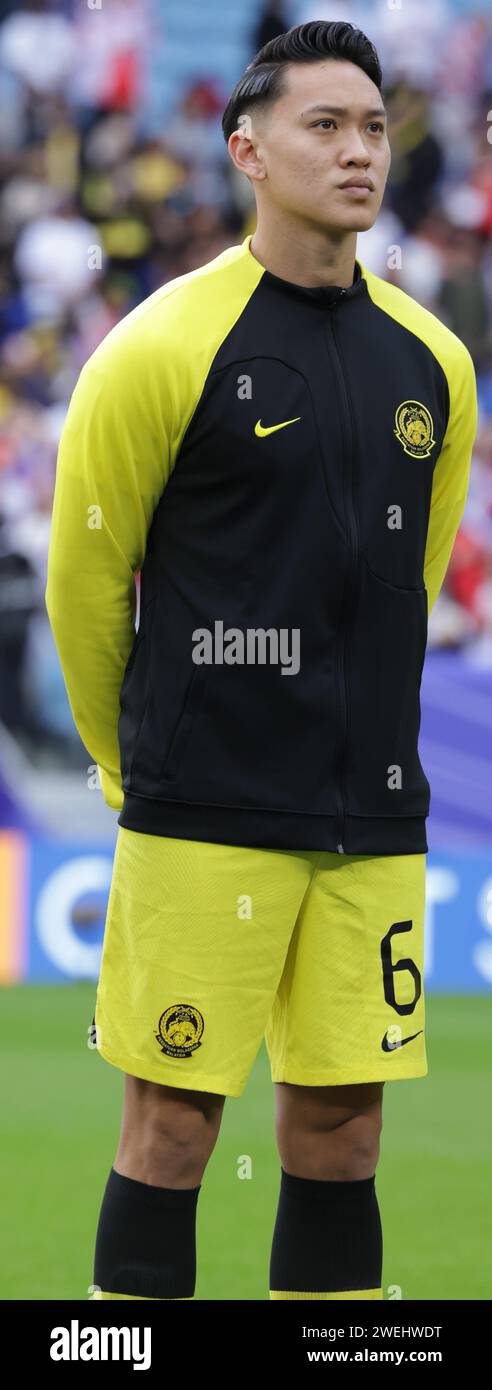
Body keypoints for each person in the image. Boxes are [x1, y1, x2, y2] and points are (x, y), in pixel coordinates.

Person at [45, 20, 477, 1302]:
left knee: (343, 1140)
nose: (359, 154)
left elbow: (411, 577)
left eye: (375, 127)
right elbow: (84, 586)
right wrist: (138, 764)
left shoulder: (435, 362)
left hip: (369, 820)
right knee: (173, 1136)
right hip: (203, 810)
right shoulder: (159, 348)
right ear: (247, 150)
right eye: (324, 126)